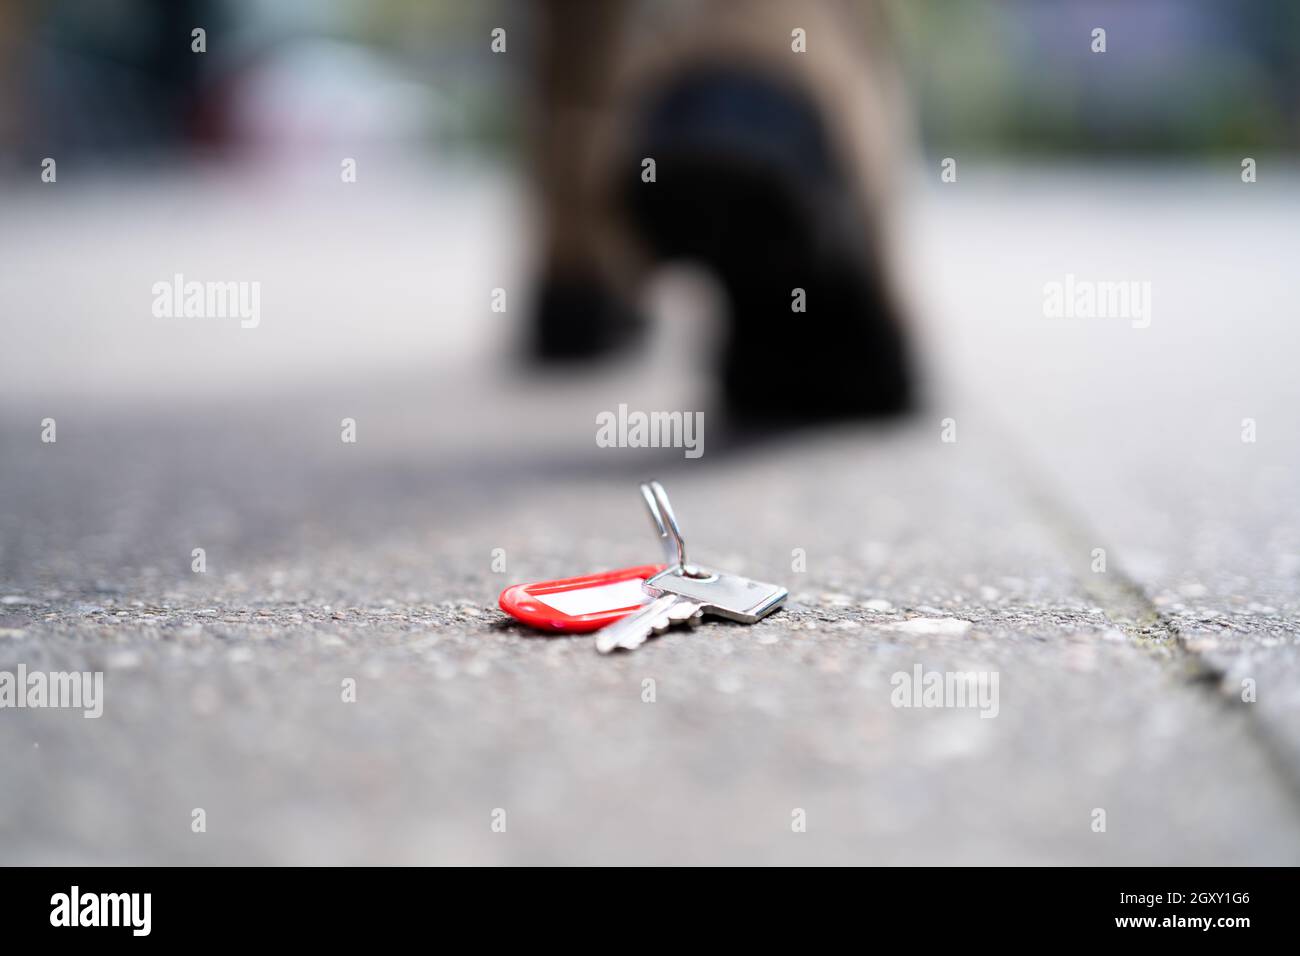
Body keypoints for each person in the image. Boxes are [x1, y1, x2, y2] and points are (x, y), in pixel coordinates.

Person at [528, 0, 915, 422]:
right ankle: (761, 51)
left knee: (580, 31)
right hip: (769, 99)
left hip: (629, 129)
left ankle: (580, 241)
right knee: (766, 45)